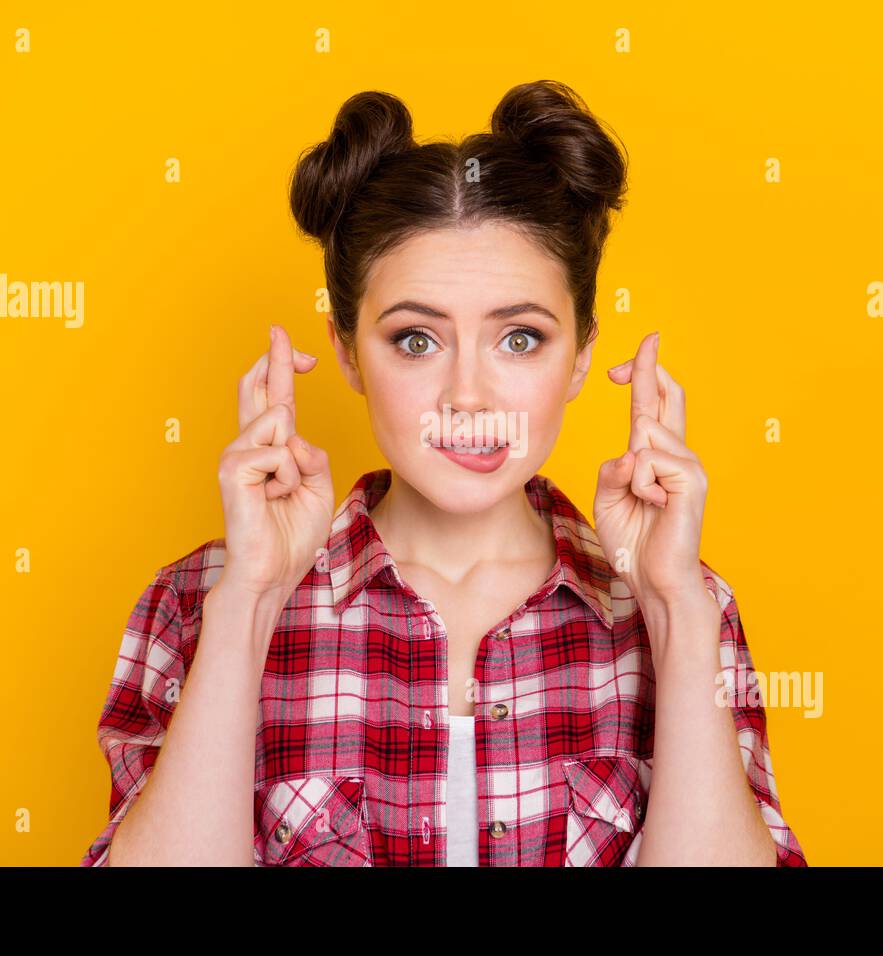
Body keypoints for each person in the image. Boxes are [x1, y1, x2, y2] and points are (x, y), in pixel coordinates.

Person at [81, 80, 806, 867]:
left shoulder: (685, 605)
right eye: (417, 340)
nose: (467, 396)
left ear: (582, 358)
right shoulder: (197, 604)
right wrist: (250, 601)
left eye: (520, 339)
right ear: (350, 352)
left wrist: (672, 609)